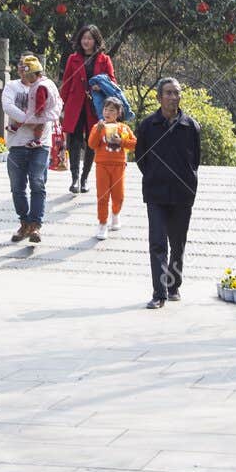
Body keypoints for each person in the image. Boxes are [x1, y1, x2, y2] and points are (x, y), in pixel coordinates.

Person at [134, 77, 201, 308]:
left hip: (183, 193)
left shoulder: (190, 126)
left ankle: (174, 286)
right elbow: (140, 158)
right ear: (159, 97)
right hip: (156, 193)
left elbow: (196, 159)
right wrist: (154, 174)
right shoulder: (147, 126)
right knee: (158, 243)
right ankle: (159, 293)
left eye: (177, 93)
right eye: (169, 93)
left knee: (178, 243)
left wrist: (187, 180)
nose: (174, 97)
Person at [2, 54, 62, 243]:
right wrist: (30, 120)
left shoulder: (46, 86)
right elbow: (8, 107)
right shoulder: (12, 87)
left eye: (26, 65)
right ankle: (24, 223)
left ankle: (35, 225)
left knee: (37, 183)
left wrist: (38, 120)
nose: (22, 68)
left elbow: (57, 105)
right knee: (17, 187)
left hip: (41, 143)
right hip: (17, 142)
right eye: (20, 64)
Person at [59, 24, 117, 195]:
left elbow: (113, 82)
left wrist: (102, 85)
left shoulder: (104, 60)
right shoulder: (73, 58)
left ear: (96, 40)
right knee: (75, 141)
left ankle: (85, 178)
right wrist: (61, 106)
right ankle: (75, 178)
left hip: (95, 106)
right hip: (75, 104)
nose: (86, 41)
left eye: (90, 38)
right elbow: (66, 82)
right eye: (84, 38)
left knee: (92, 141)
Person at [87, 96, 135, 240]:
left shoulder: (124, 128)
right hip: (102, 165)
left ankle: (115, 214)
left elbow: (134, 144)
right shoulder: (97, 127)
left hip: (119, 166)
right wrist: (97, 131)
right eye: (106, 109)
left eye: (112, 110)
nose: (107, 112)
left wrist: (122, 141)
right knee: (102, 195)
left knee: (118, 195)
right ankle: (102, 223)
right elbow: (92, 144)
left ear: (118, 113)